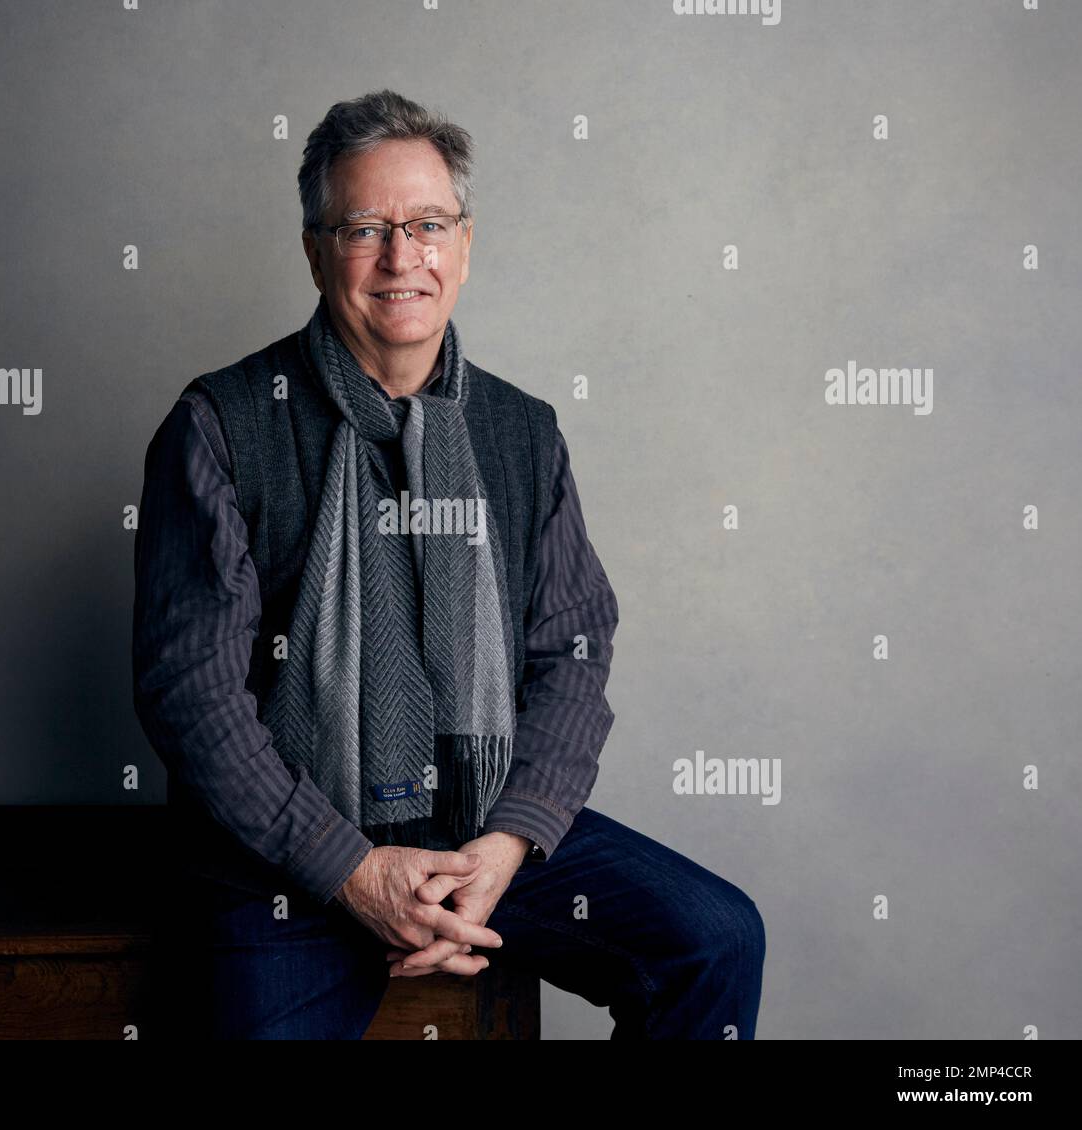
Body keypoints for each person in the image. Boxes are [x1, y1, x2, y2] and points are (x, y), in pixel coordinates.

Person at [132, 89, 764, 1039]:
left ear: (463, 246)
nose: (401, 257)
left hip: (480, 835)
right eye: (364, 228)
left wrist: (508, 843)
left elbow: (574, 655)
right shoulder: (220, 425)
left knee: (715, 940)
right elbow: (194, 698)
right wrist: (348, 868)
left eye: (427, 224)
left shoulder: (522, 433)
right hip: (286, 860)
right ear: (314, 250)